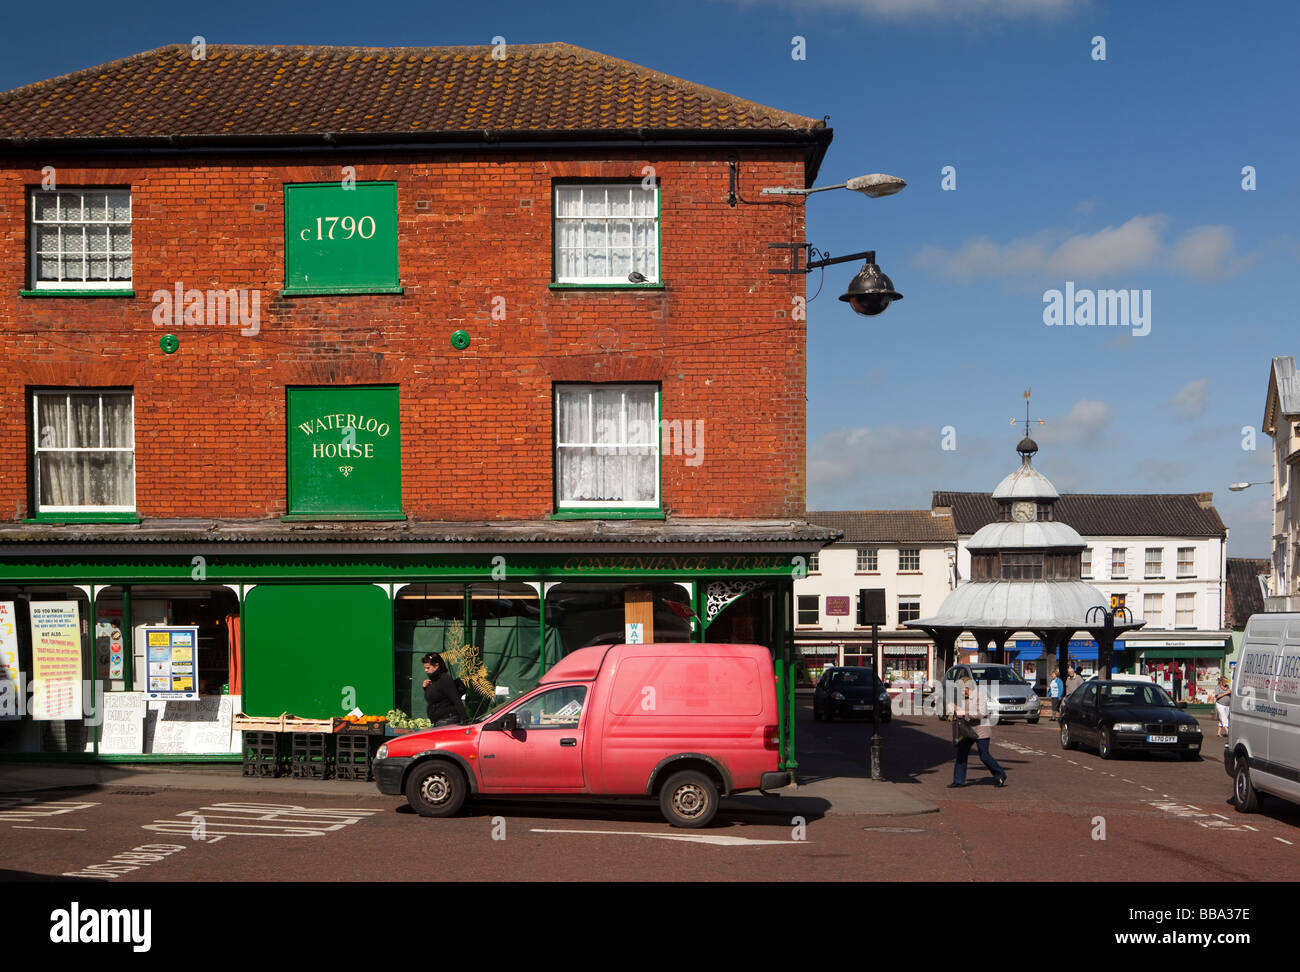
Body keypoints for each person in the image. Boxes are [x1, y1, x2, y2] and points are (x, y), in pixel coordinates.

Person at [949, 675, 1006, 788]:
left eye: (962, 689)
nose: (961, 691)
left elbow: (982, 713)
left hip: (981, 730)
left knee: (984, 755)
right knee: (961, 753)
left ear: (968, 687)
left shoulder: (979, 696)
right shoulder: (962, 697)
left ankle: (1000, 774)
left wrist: (965, 713)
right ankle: (959, 781)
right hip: (968, 730)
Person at [421, 651, 468, 727]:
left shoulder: (445, 679)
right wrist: (426, 688)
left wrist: (465, 720)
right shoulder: (434, 680)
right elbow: (434, 699)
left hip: (447, 720)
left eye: (428, 667)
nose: (426, 670)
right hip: (439, 720)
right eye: (425, 668)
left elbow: (456, 699)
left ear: (436, 666)